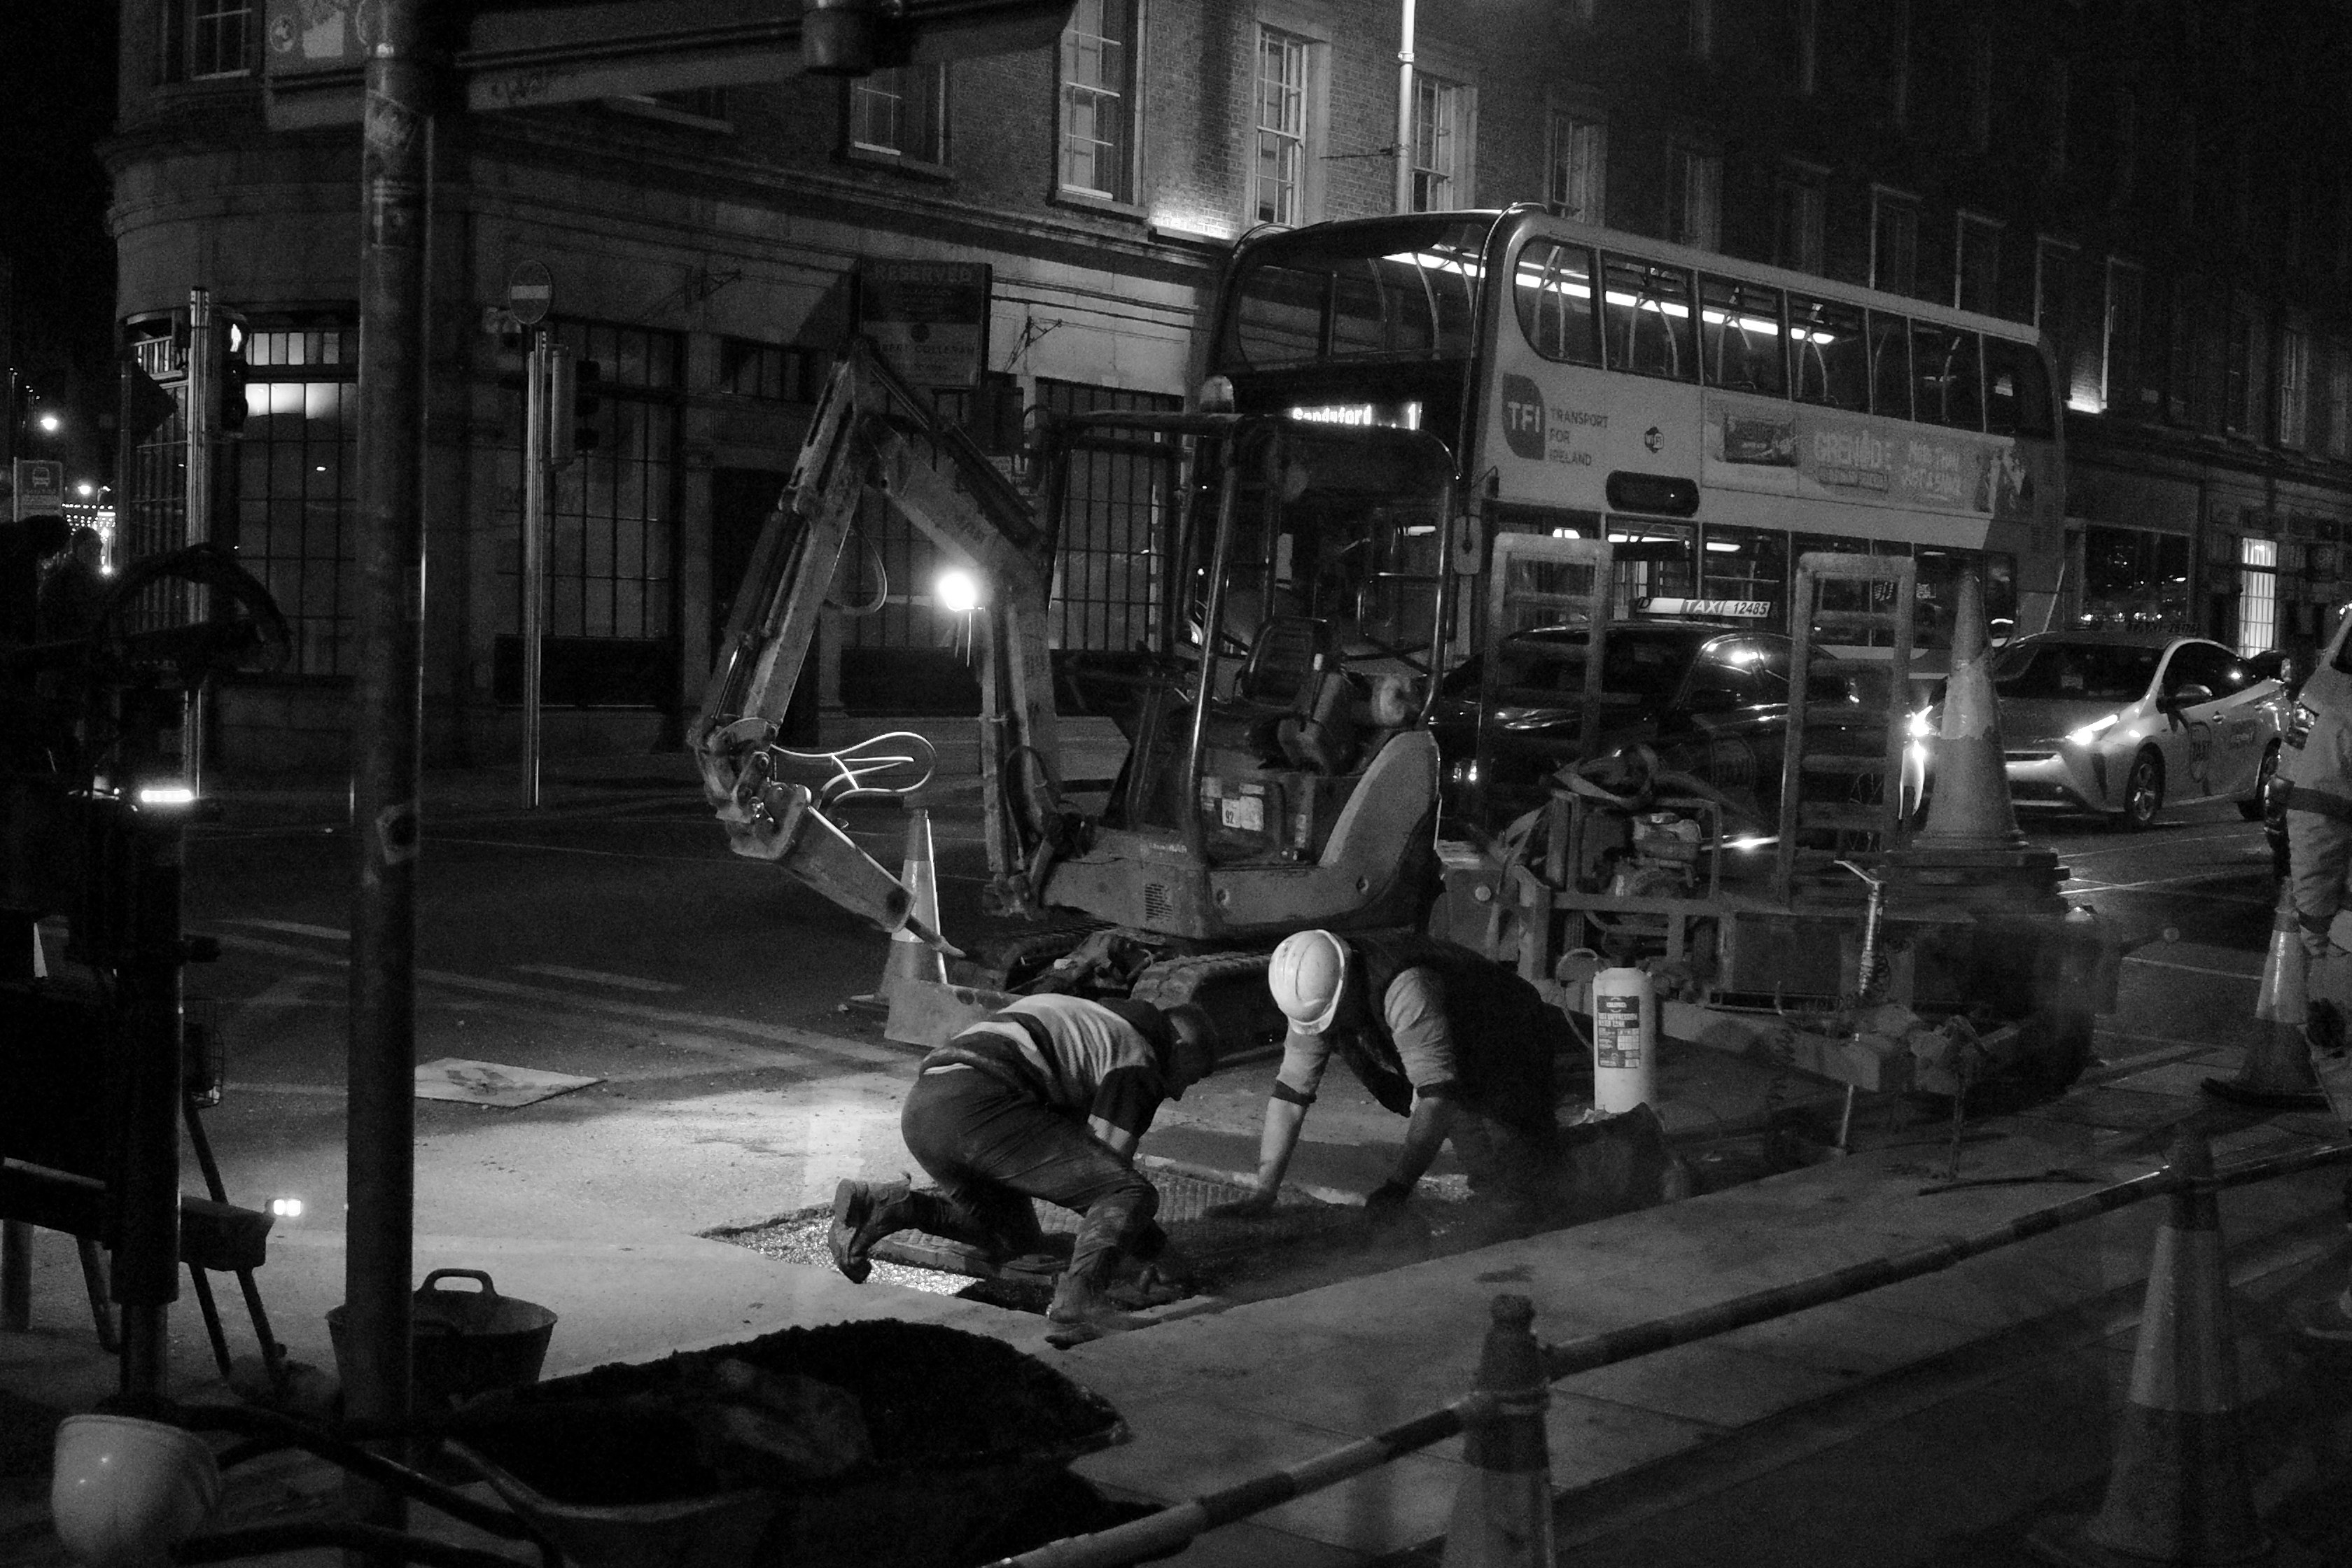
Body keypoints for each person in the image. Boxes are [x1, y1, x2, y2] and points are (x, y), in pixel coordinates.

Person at [829, 993, 1221, 1338]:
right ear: (1182, 1047)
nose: (1183, 1093)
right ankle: (1080, 1297)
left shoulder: (1090, 1017)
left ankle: (891, 1207)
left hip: (924, 1108)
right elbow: (1104, 1182)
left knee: (1014, 1241)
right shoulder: (1137, 1057)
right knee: (1128, 1191)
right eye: (1196, 1074)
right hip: (979, 1106)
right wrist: (1166, 1261)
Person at [1212, 929, 1581, 1224]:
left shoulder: (1406, 988)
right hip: (1457, 1049)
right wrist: (1264, 1192)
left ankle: (1592, 1186)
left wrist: (1398, 1187)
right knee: (1494, 1176)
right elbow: (1290, 1096)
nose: (1324, 1031)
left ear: (1348, 986)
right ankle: (1512, 1207)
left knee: (1524, 1171)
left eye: (1330, 1020)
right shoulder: (1319, 996)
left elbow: (1437, 1098)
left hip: (1507, 1034)